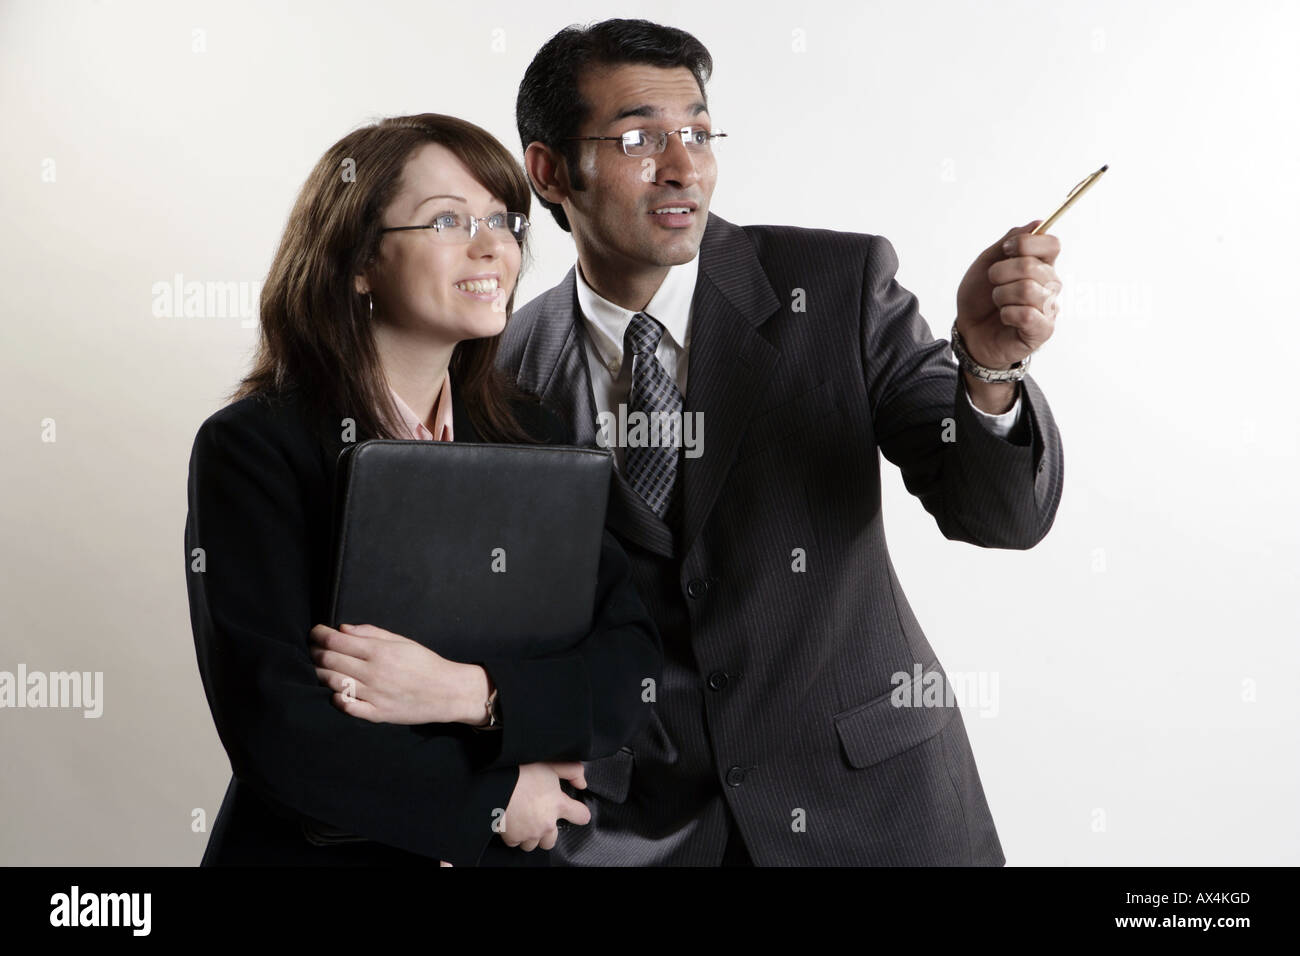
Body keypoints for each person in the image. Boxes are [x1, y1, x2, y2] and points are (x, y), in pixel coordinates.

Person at [497, 19, 1066, 865]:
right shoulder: (506, 365)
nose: (683, 166)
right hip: (639, 833)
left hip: (877, 809)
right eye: (639, 137)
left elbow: (1000, 514)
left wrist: (985, 371)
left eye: (696, 132)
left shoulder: (835, 287)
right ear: (549, 169)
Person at [183, 112, 662, 867]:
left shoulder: (531, 436)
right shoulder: (253, 448)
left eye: (503, 220)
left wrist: (473, 693)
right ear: (359, 262)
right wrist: (496, 801)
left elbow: (629, 668)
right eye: (447, 220)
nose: (492, 246)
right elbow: (274, 724)